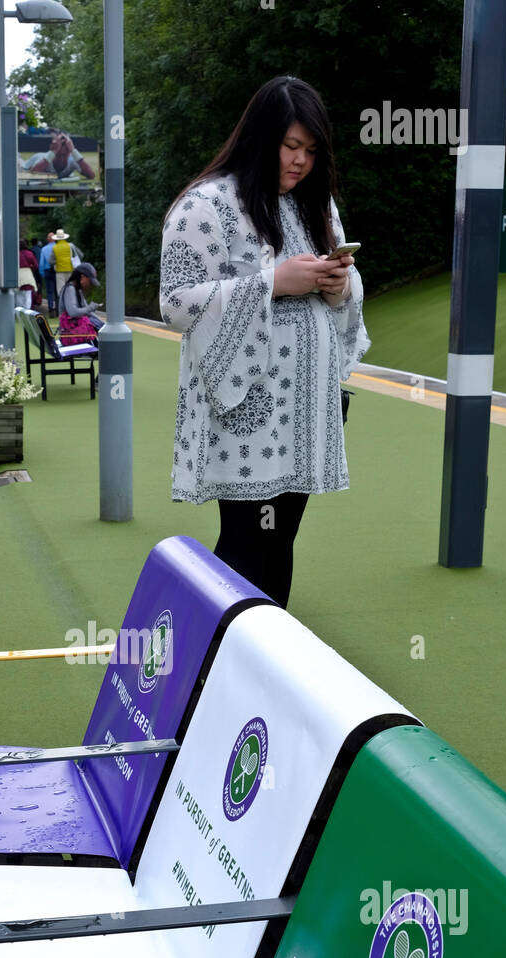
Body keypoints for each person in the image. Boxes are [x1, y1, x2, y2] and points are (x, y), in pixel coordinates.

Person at [160, 75, 369, 609]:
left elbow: (344, 296)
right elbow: (177, 301)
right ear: (260, 137)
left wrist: (338, 283)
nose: (300, 162)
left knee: (278, 542)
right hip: (247, 412)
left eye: (311, 150)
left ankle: (258, 659)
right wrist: (273, 282)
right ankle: (215, 664)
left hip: (305, 410)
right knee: (248, 545)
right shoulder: (205, 206)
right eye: (290, 145)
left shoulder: (312, 205)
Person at [57, 263, 103, 344]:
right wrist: (91, 307)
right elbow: (73, 312)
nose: (90, 284)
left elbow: (88, 312)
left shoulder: (77, 289)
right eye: (90, 280)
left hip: (74, 332)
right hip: (71, 335)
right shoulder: (70, 289)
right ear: (82, 277)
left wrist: (104, 325)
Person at [24, 132, 96, 181]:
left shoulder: (73, 160)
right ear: (52, 150)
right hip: (24, 166)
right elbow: (33, 174)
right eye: (58, 154)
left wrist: (73, 150)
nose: (62, 158)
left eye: (65, 155)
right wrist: (54, 151)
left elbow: (91, 175)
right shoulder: (43, 158)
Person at [49, 228, 82, 303]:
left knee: (61, 292)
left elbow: (50, 261)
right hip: (71, 270)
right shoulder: (70, 246)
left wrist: (58, 261)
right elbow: (80, 255)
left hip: (60, 272)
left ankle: (63, 308)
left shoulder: (55, 247)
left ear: (57, 238)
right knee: (71, 290)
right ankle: (72, 305)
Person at [16, 238, 40, 311]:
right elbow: (36, 265)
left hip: (18, 274)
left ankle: (20, 311)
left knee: (18, 294)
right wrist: (31, 268)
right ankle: (27, 311)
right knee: (28, 295)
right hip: (28, 274)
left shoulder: (15, 254)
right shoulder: (29, 253)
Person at [38, 232, 57, 316]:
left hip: (47, 271)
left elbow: (41, 263)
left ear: (48, 239)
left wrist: (42, 273)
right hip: (57, 270)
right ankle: (58, 309)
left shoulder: (44, 249)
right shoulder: (57, 247)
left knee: (49, 292)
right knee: (58, 291)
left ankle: (50, 309)